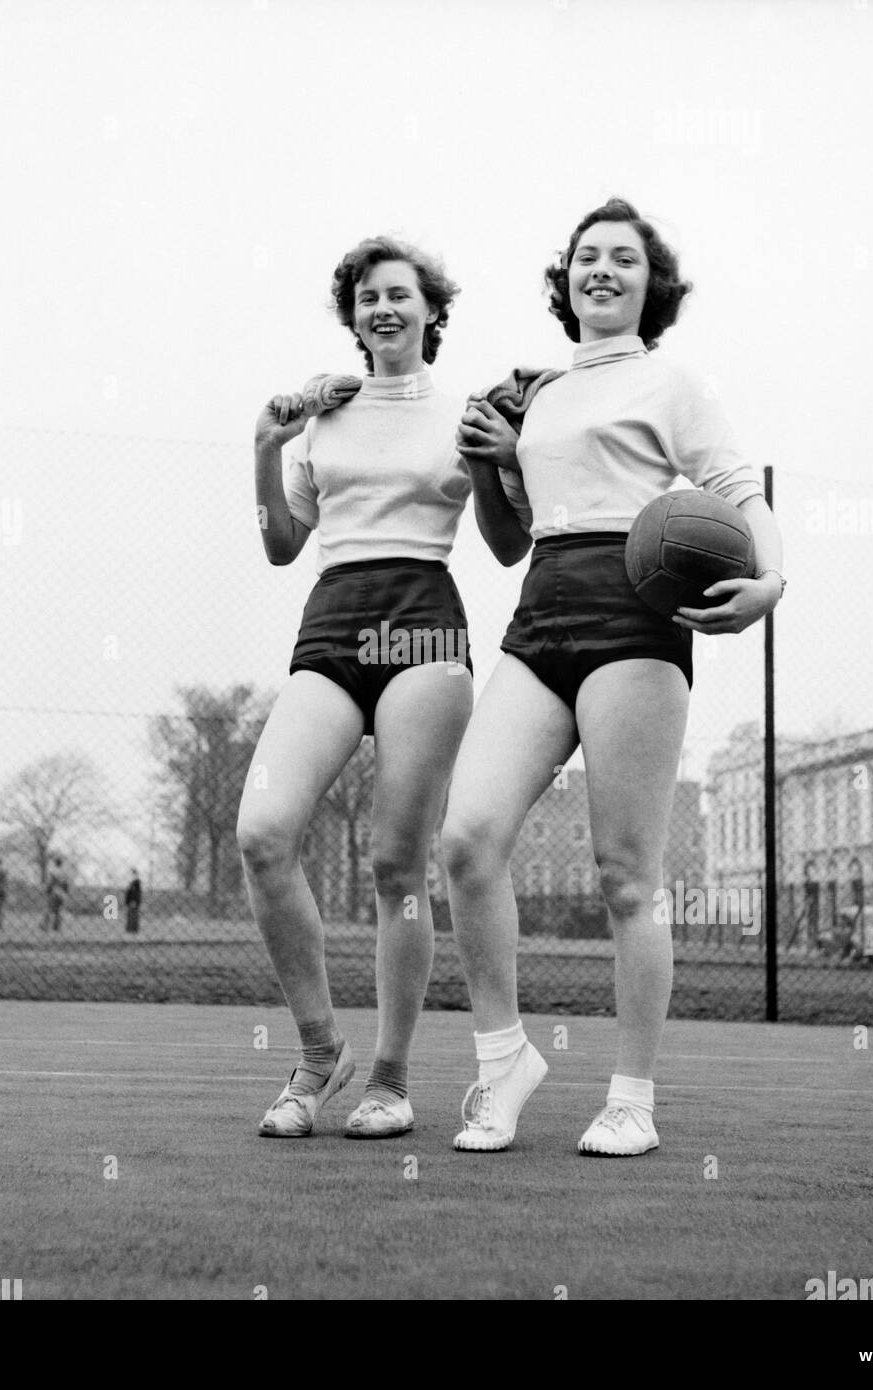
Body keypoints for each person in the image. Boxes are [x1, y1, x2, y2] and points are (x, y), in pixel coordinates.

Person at [444, 197, 784, 1156]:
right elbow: (509, 542)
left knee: (625, 876)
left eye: (622, 259)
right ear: (566, 282)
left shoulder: (671, 382)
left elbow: (736, 493)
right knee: (466, 839)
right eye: (585, 257)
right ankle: (503, 1061)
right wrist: (493, 466)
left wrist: (770, 579)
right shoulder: (538, 396)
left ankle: (631, 1096)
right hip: (541, 608)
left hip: (638, 617)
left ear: (650, 283)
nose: (601, 269)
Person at [237, 235, 505, 1141]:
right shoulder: (323, 416)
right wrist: (265, 446)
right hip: (333, 619)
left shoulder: (463, 410)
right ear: (352, 318)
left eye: (399, 295)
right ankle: (320, 1054)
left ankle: (389, 1080)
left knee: (397, 866)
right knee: (261, 833)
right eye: (365, 299)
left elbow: (510, 537)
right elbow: (280, 544)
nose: (382, 309)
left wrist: (503, 456)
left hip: (425, 623)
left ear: (432, 310)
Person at [43, 855, 69, 933]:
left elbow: (51, 883)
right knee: (59, 911)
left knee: (49, 909)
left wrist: (47, 891)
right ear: (61, 863)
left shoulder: (53, 872)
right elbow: (66, 884)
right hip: (62, 894)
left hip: (54, 892)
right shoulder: (64, 873)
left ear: (55, 863)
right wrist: (65, 893)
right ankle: (57, 927)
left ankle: (45, 926)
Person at [124, 868, 141, 935]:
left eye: (132, 873)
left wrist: (134, 901)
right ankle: (130, 930)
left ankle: (133, 930)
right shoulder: (132, 882)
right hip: (130, 902)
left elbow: (136, 893)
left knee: (133, 916)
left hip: (133, 902)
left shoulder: (136, 882)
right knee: (130, 916)